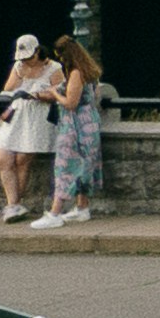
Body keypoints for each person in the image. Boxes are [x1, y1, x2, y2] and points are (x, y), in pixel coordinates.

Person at [50, 37, 115, 226]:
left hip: (75, 126)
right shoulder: (90, 72)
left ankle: (55, 213)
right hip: (90, 124)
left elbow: (71, 103)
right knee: (85, 166)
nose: (60, 60)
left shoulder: (76, 73)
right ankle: (82, 207)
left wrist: (55, 94)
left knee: (65, 166)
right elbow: (94, 97)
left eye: (60, 56)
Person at [0, 36, 54, 227]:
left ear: (37, 52)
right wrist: (16, 88)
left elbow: (59, 93)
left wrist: (37, 94)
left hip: (37, 118)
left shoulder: (53, 68)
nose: (25, 61)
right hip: (17, 116)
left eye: (29, 57)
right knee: (3, 159)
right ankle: (13, 204)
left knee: (22, 160)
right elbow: (7, 91)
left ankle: (14, 204)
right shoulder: (18, 67)